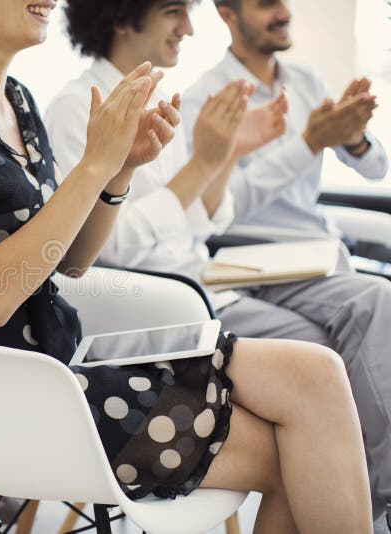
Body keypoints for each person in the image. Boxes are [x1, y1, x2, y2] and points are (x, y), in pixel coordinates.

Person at [0, 0, 373, 532]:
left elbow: (71, 262)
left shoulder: (17, 101)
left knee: (318, 372)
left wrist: (119, 171)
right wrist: (95, 163)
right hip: (12, 396)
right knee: (297, 454)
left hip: (64, 363)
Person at [45, 0, 391, 530]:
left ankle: (366, 496)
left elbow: (199, 222)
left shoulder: (159, 99)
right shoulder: (79, 107)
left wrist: (223, 156)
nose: (188, 27)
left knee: (365, 315)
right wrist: (209, 161)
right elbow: (106, 250)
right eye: (173, 12)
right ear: (121, 18)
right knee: (324, 355)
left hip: (203, 277)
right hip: (164, 300)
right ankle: (363, 498)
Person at [183, 0, 390, 261]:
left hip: (322, 240)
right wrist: (308, 144)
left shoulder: (305, 80)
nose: (285, 13)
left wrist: (355, 141)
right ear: (228, 16)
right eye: (267, 4)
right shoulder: (204, 101)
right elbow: (217, 207)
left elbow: (377, 170)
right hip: (261, 253)